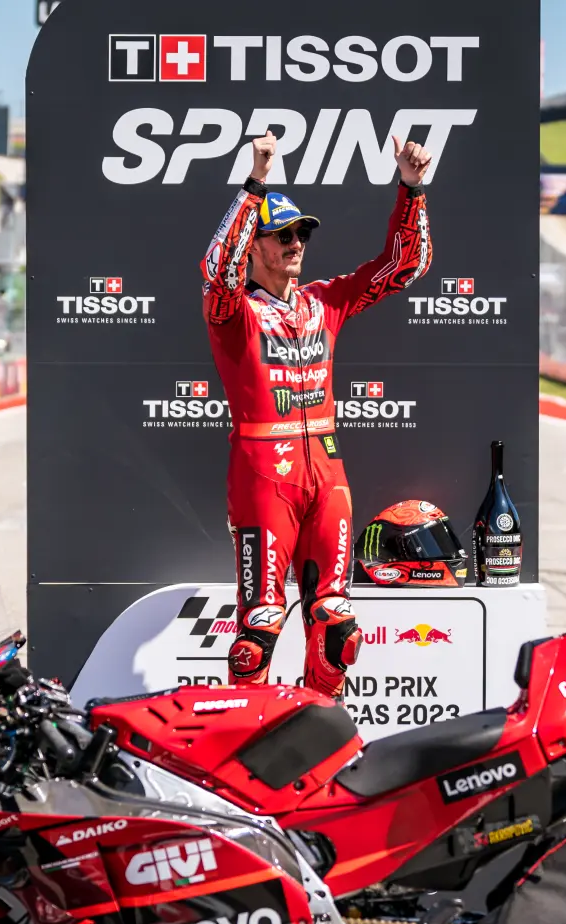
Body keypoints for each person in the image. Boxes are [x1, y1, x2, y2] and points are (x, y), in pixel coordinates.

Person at [200, 130, 432, 697]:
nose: (295, 243)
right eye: (280, 235)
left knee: (338, 627)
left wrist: (412, 188)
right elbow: (215, 269)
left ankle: (317, 735)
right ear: (253, 246)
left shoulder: (325, 300)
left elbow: (407, 266)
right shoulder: (233, 312)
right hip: (263, 476)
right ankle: (247, 746)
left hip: (327, 475)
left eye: (301, 232)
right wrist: (254, 184)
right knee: (259, 627)